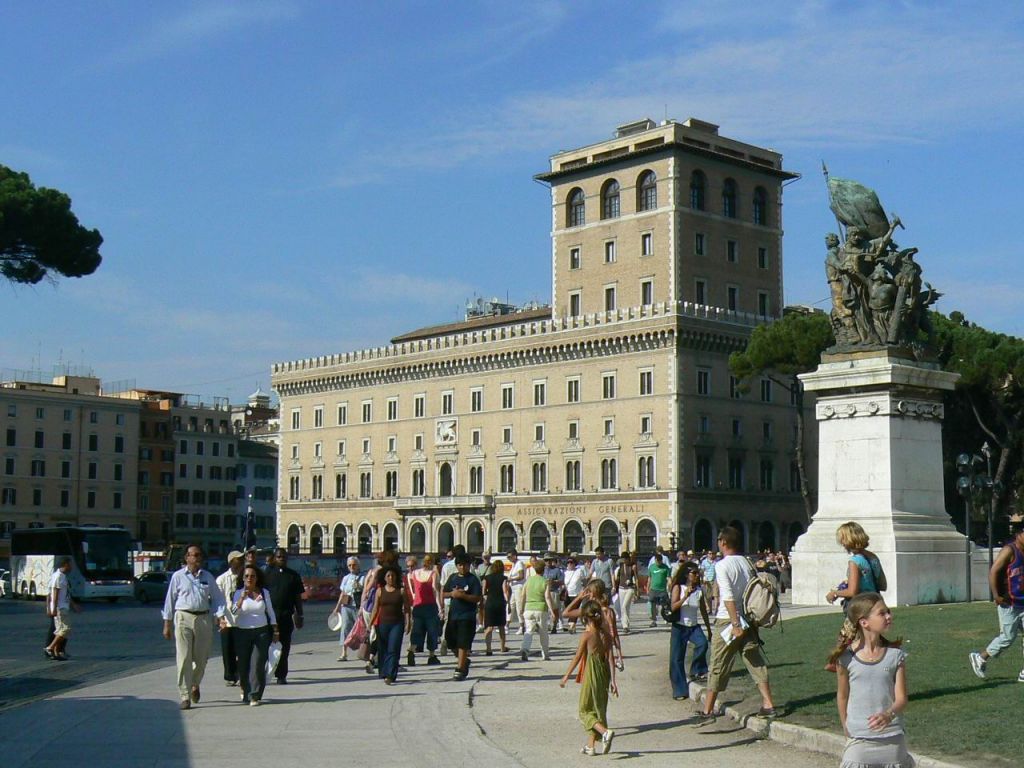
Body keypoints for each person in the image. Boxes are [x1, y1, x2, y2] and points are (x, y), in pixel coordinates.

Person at [695, 526, 776, 726]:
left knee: (718, 663)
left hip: (728, 620)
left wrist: (733, 623)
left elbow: (728, 597)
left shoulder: (722, 566)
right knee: (754, 659)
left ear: (723, 542)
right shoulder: (747, 562)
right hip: (748, 619)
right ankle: (768, 703)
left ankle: (708, 710)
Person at [828, 592, 912, 768]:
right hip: (859, 740)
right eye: (882, 613)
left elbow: (902, 699)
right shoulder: (845, 658)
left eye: (888, 611)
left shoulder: (895, 655)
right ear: (864, 622)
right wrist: (846, 726)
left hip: (892, 740)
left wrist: (888, 715)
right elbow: (842, 695)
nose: (889, 616)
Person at [161, 544, 226, 710]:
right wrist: (167, 624)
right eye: (193, 555)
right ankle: (184, 695)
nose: (196, 559)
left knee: (201, 658)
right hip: (183, 617)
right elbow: (170, 600)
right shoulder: (178, 576)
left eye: (198, 555)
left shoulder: (208, 577)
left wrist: (220, 617)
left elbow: (218, 599)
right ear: (186, 558)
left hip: (204, 618)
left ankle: (195, 684)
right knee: (183, 658)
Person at [560, 600, 618, 755]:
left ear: (585, 617)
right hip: (604, 672)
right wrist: (613, 681)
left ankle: (605, 732)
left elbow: (577, 657)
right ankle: (591, 746)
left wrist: (566, 675)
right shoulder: (606, 635)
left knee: (584, 710)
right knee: (598, 709)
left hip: (591, 672)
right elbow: (611, 658)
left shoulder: (586, 635)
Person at [969, 521, 1024, 680]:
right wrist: (996, 595)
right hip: (1009, 602)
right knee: (1007, 637)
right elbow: (993, 572)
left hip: (1022, 601)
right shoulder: (1009, 550)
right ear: (1019, 534)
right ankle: (980, 657)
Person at [226, 565, 279, 705]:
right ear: (242, 578)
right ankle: (245, 689)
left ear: (257, 578)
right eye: (247, 576)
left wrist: (275, 630)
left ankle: (254, 694)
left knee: (258, 663)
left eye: (253, 576)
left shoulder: (264, 592)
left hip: (261, 632)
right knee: (243, 664)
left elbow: (270, 612)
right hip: (242, 632)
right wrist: (241, 599)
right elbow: (234, 612)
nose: (250, 579)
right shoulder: (238, 593)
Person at [668, 562, 710, 700]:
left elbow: (703, 610)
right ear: (687, 574)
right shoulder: (678, 588)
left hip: (693, 626)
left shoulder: (699, 590)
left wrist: (709, 629)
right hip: (679, 626)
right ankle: (679, 690)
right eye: (694, 573)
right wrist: (685, 596)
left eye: (698, 573)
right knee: (676, 659)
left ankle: (697, 669)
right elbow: (673, 607)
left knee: (702, 644)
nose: (697, 576)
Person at [264, 548, 304, 684]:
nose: (281, 558)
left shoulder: (293, 575)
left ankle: (281, 675)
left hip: (286, 615)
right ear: (274, 558)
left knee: (285, 647)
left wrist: (300, 615)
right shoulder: (267, 574)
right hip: (269, 616)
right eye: (279, 556)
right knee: (267, 646)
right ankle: (266, 672)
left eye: (284, 556)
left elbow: (297, 597)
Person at [442, 554, 482, 680]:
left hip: (467, 616)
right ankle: (464, 660)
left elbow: (478, 598)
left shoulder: (473, 580)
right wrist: (452, 594)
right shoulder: (453, 578)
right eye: (460, 565)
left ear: (469, 566)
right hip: (453, 615)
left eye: (465, 565)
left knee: (463, 643)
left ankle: (460, 668)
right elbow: (443, 593)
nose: (463, 567)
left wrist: (464, 596)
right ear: (456, 566)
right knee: (450, 641)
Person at [369, 565, 410, 685]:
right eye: (388, 576)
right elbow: (375, 609)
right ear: (385, 578)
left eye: (393, 575)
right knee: (383, 650)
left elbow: (407, 608)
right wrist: (370, 624)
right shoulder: (380, 591)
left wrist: (408, 623)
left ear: (396, 577)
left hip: (397, 624)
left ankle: (390, 675)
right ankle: (383, 671)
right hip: (382, 624)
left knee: (393, 649)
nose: (391, 578)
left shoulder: (401, 591)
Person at [406, 554, 442, 667]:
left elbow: (412, 591)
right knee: (432, 631)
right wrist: (440, 608)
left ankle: (411, 651)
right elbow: (435, 591)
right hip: (430, 606)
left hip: (417, 606)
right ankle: (431, 655)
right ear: (431, 563)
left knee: (417, 631)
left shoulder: (414, 573)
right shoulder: (433, 574)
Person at [216, 550, 244, 685]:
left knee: (242, 648)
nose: (241, 562)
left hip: (243, 620)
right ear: (231, 562)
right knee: (228, 650)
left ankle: (241, 671)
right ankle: (230, 675)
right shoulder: (221, 579)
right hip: (227, 620)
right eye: (238, 559)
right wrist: (220, 618)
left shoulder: (245, 577)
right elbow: (218, 600)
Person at [44, 557, 79, 661]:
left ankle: (56, 651)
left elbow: (66, 594)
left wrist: (73, 605)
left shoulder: (62, 576)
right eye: (70, 564)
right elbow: (54, 594)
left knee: (60, 629)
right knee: (64, 629)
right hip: (60, 608)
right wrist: (52, 608)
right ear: (65, 564)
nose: (71, 566)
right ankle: (50, 648)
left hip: (63, 606)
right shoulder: (58, 577)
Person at [521, 558, 553, 661]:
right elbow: (547, 597)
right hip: (541, 609)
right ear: (543, 570)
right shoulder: (545, 582)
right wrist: (552, 610)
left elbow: (523, 595)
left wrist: (521, 609)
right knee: (543, 633)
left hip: (528, 608)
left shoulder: (528, 580)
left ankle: (525, 649)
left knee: (529, 631)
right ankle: (545, 654)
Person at [333, 556, 363, 661]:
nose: (352, 567)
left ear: (358, 565)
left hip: (358, 607)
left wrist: (359, 586)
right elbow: (343, 593)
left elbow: (366, 592)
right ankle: (344, 653)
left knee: (361, 629)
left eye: (354, 565)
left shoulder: (363, 577)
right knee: (345, 628)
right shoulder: (346, 578)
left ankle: (363, 650)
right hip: (346, 606)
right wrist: (337, 607)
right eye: (349, 565)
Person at [482, 559, 510, 655]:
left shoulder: (487, 578)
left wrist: (485, 599)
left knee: (489, 627)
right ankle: (502, 647)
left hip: (490, 603)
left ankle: (488, 649)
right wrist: (508, 602)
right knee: (501, 626)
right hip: (500, 603)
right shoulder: (503, 578)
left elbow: (483, 591)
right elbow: (505, 591)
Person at [614, 554, 638, 633]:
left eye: (625, 559)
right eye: (623, 559)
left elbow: (636, 578)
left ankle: (625, 625)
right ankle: (626, 625)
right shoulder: (620, 566)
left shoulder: (633, 566)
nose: (624, 561)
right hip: (621, 588)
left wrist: (637, 591)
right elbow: (617, 578)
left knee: (624, 606)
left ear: (628, 559)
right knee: (624, 607)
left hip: (630, 589)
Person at [646, 552, 670, 628]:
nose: (658, 562)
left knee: (665, 605)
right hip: (653, 589)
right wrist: (647, 588)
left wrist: (669, 585)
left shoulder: (665, 568)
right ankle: (653, 620)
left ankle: (666, 618)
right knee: (652, 605)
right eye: (657, 561)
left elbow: (668, 578)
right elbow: (649, 578)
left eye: (660, 561)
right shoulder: (652, 567)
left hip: (662, 589)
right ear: (655, 560)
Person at [563, 557, 587, 633]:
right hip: (567, 594)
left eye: (571, 563)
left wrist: (584, 590)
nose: (570, 564)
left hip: (577, 594)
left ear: (574, 564)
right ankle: (572, 625)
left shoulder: (579, 571)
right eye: (568, 563)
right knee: (569, 609)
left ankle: (572, 625)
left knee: (575, 609)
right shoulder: (565, 573)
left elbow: (584, 581)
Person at [543, 554, 565, 633]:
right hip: (544, 591)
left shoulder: (557, 570)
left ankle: (554, 626)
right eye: (546, 560)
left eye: (549, 560)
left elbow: (562, 581)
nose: (548, 562)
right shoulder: (543, 570)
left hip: (553, 591)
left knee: (555, 610)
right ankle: (545, 626)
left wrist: (554, 581)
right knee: (544, 611)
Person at [506, 549, 527, 633]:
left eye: (510, 556)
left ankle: (522, 626)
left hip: (519, 587)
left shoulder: (519, 564)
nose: (509, 558)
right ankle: (506, 625)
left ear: (515, 556)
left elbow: (521, 576)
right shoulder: (513, 565)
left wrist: (511, 579)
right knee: (511, 605)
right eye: (507, 557)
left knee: (519, 606)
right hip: (513, 588)